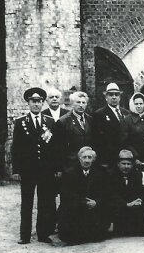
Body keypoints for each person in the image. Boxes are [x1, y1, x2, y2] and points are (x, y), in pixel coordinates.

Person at [12, 87, 57, 244]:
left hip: (45, 170)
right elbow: (16, 148)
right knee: (27, 203)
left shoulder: (49, 122)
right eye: (33, 101)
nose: (36, 105)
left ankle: (43, 234)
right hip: (28, 170)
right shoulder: (20, 123)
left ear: (43, 103)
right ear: (28, 103)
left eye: (39, 101)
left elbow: (54, 148)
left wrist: (55, 168)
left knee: (45, 202)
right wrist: (16, 170)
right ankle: (24, 235)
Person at [57, 146, 114, 244]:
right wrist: (84, 203)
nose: (87, 160)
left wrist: (96, 202)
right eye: (84, 157)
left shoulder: (101, 174)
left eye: (89, 157)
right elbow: (67, 194)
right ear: (79, 159)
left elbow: (106, 193)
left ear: (93, 159)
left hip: (94, 209)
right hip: (77, 209)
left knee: (97, 234)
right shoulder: (69, 173)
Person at [54, 91, 93, 176]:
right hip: (71, 164)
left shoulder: (90, 120)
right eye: (78, 102)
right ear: (72, 104)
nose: (81, 105)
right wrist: (60, 168)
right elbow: (59, 147)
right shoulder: (63, 121)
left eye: (83, 102)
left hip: (87, 163)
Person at [111, 149, 144, 236]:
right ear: (118, 164)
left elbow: (140, 191)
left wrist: (139, 200)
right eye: (123, 164)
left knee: (143, 205)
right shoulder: (111, 174)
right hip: (119, 204)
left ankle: (142, 229)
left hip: (133, 202)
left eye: (129, 164)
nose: (126, 166)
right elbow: (112, 194)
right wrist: (126, 204)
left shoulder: (137, 174)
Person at [91, 83, 129, 169]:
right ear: (106, 97)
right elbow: (97, 140)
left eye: (116, 94)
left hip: (125, 158)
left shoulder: (126, 113)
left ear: (120, 97)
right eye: (111, 95)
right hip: (108, 159)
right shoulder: (99, 114)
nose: (114, 97)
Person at [121, 92, 144, 173]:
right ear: (132, 104)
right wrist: (134, 157)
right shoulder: (127, 120)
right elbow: (125, 142)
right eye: (136, 104)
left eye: (141, 103)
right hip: (135, 161)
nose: (139, 106)